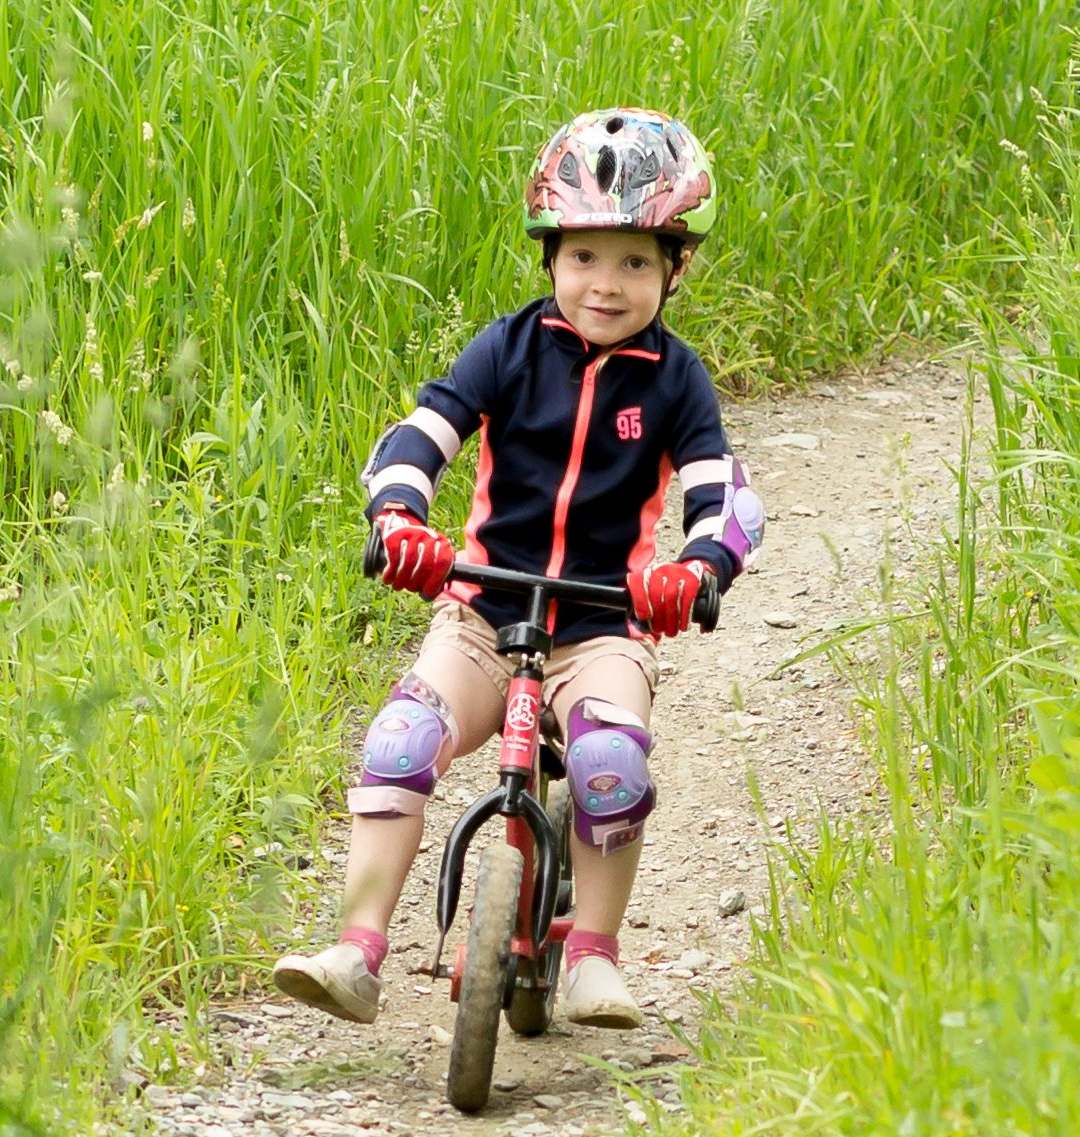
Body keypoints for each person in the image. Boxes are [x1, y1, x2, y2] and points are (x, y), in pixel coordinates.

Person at [273, 108, 765, 1029]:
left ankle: (592, 955)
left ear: (674, 267)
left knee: (611, 760)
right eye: (583, 257)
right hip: (480, 612)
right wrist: (398, 514)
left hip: (602, 623)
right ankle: (357, 948)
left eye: (632, 262)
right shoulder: (508, 347)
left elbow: (724, 496)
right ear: (549, 259)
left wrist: (696, 568)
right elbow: (419, 436)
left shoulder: (675, 379)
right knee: (398, 743)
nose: (604, 285)